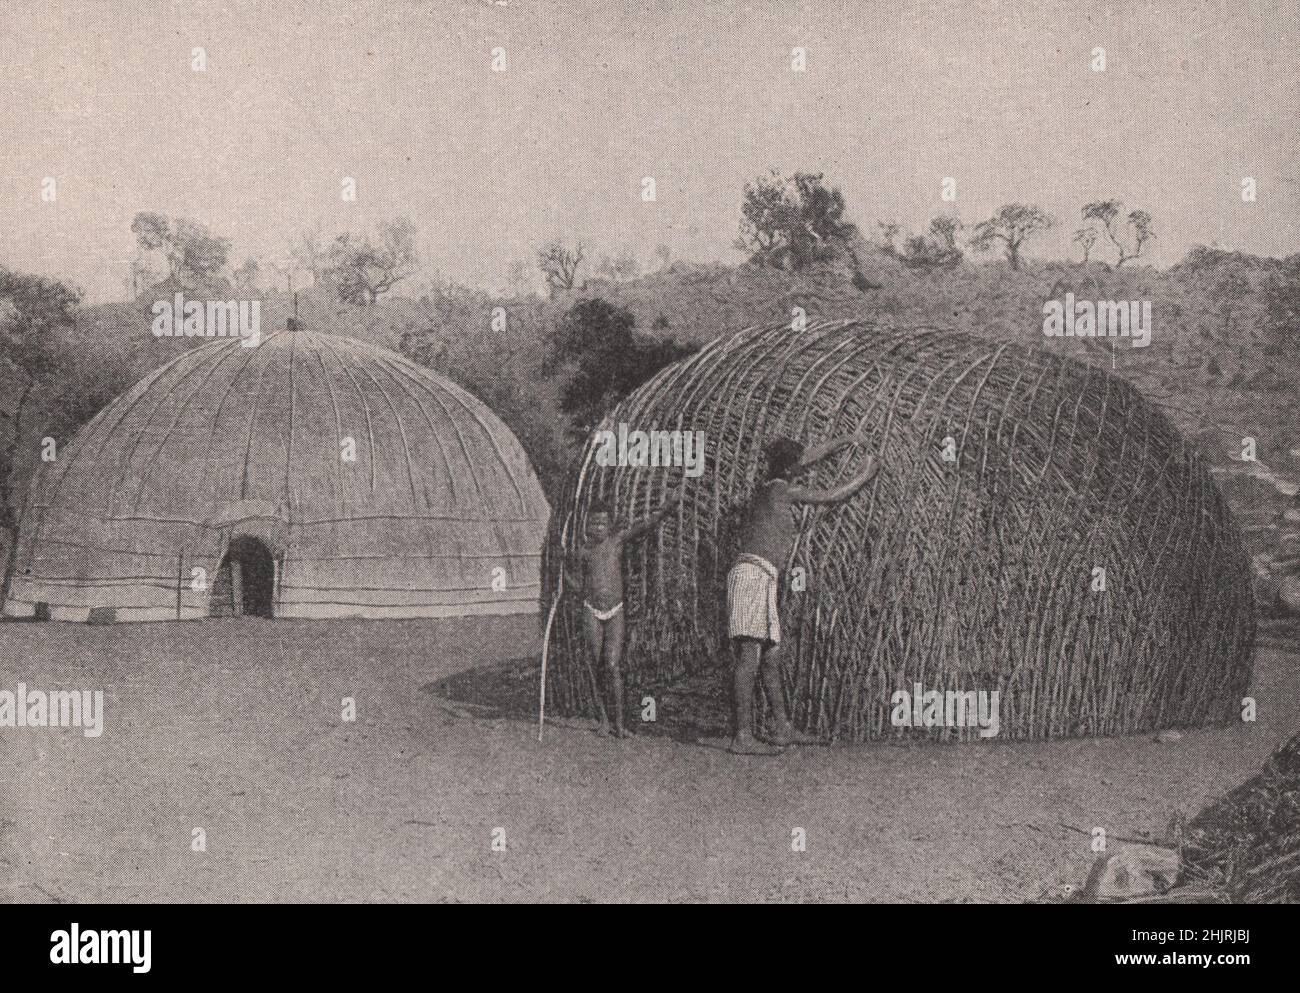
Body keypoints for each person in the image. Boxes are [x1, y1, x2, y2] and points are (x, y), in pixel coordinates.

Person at [727, 433, 882, 754]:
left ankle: (781, 726)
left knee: (772, 655)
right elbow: (832, 496)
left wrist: (845, 440)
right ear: (790, 468)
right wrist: (865, 474)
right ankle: (741, 736)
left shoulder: (772, 484)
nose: (806, 466)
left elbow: (807, 457)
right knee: (749, 656)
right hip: (752, 574)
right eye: (800, 464)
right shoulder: (782, 490)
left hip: (763, 576)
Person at [567, 487, 682, 738]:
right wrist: (564, 578)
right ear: (586, 524)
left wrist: (668, 507)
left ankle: (620, 723)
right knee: (597, 665)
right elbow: (575, 584)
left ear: (610, 525)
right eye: (593, 522)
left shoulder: (616, 541)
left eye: (602, 523)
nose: (597, 527)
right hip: (591, 610)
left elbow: (646, 524)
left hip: (615, 611)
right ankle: (604, 719)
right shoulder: (583, 552)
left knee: (612, 664)